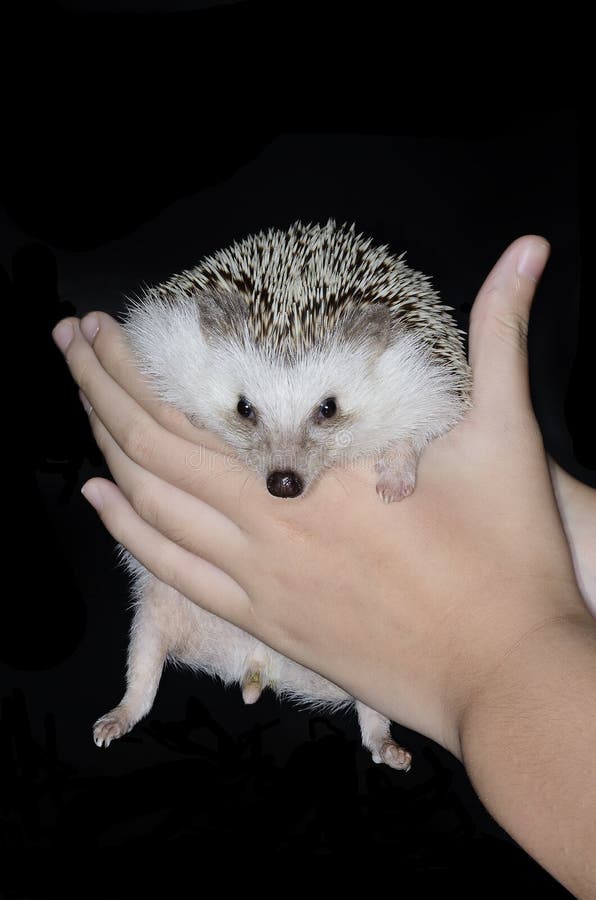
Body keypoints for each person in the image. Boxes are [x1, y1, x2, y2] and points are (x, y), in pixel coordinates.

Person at [52, 236, 596, 897]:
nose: (284, 463)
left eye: (325, 413)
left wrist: (491, 654)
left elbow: (435, 411)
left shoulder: (405, 377)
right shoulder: (179, 350)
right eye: (248, 412)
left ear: (374, 353)